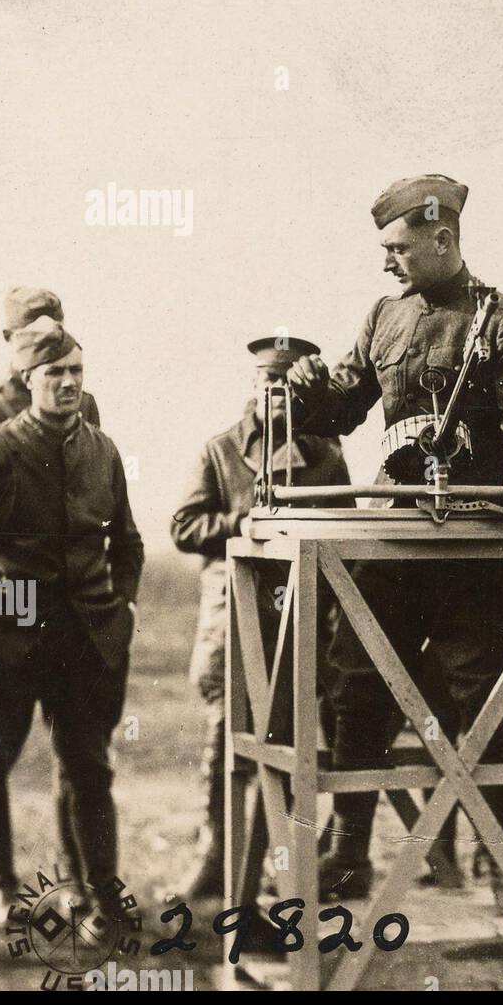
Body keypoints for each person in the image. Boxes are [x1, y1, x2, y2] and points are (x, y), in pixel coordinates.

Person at [286, 175, 503, 913]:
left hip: (470, 545)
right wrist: (305, 391)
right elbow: (345, 407)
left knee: (486, 701)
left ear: (442, 239)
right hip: (393, 538)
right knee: (356, 687)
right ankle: (348, 855)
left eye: (397, 247)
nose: (387, 261)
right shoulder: (383, 315)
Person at [0, 318, 143, 972]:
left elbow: (129, 542)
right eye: (54, 373)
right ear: (27, 379)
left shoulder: (103, 450)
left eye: (75, 373)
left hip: (83, 644)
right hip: (6, 644)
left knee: (89, 773)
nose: (66, 384)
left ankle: (105, 913)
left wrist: (125, 609)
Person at [169, 334, 351, 900]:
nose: (276, 395)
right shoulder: (220, 450)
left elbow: (345, 530)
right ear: (252, 385)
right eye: (267, 383)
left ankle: (282, 861)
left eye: (287, 385)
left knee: (292, 744)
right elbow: (182, 527)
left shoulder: (326, 454)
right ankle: (216, 854)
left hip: (299, 620)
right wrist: (239, 523)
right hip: (233, 620)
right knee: (227, 740)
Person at [0, 287, 101, 924]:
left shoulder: (83, 405)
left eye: (59, 330)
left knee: (79, 756)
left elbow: (93, 500)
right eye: (35, 332)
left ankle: (79, 884)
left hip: (67, 619)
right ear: (11, 344)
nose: (52, 344)